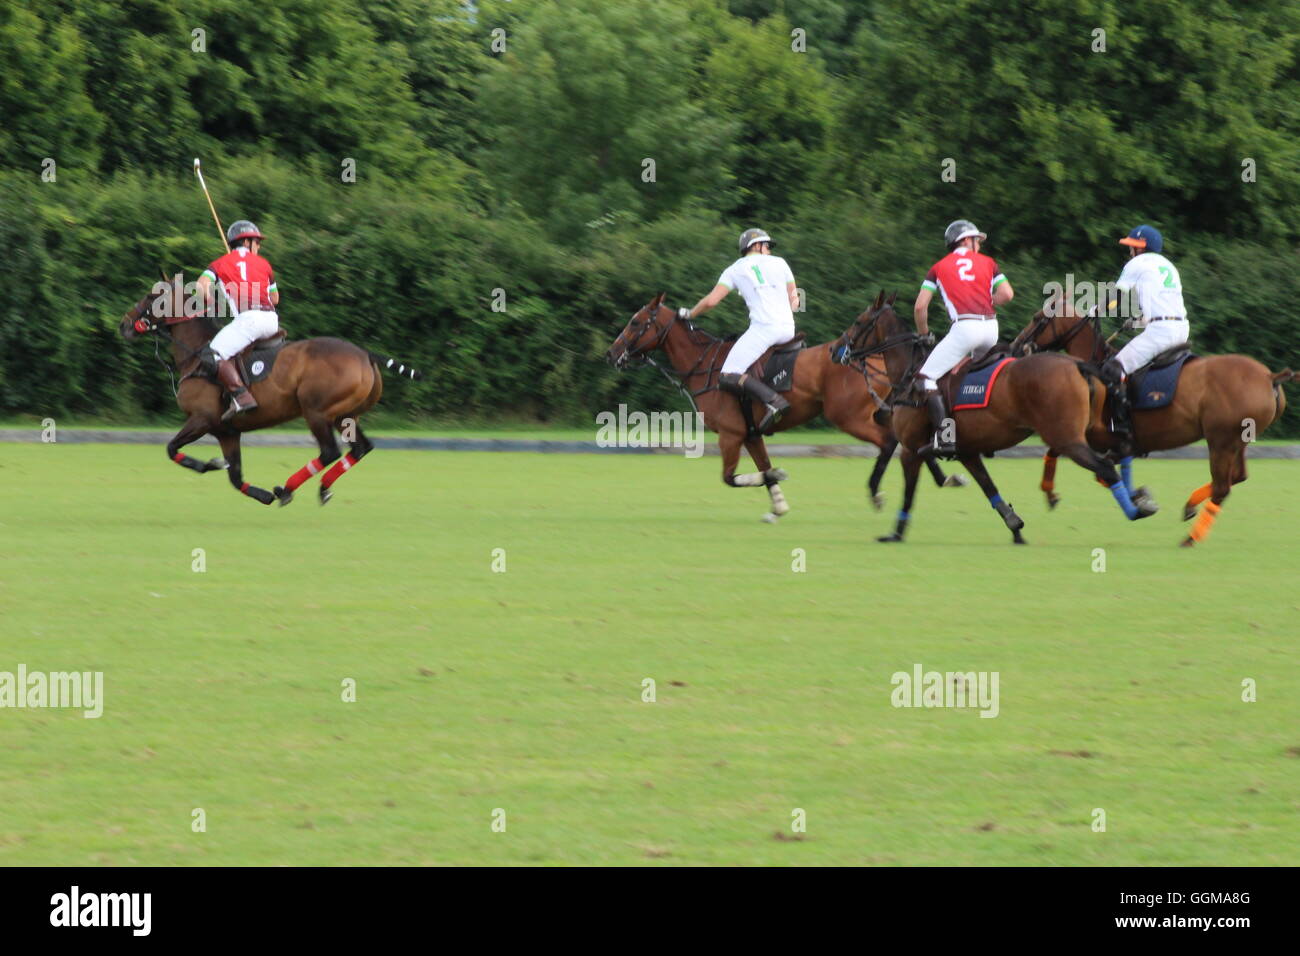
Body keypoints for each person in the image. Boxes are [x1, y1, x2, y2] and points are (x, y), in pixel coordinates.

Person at [681, 228, 799, 432]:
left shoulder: (735, 269)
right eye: (767, 246)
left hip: (764, 330)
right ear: (756, 246)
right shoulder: (781, 263)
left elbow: (711, 301)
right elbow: (794, 299)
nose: (769, 250)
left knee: (727, 374)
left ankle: (775, 401)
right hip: (789, 329)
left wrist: (690, 314)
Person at [913, 220, 1014, 455]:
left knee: (926, 378)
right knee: (970, 374)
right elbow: (1007, 294)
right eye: (976, 240)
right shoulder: (989, 263)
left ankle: (945, 438)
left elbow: (920, 308)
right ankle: (984, 436)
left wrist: (924, 334)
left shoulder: (938, 268)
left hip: (965, 329)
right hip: (991, 329)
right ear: (966, 240)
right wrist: (989, 303)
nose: (978, 244)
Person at [1100, 224, 1189, 448]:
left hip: (1161, 333)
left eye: (1133, 247)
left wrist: (1093, 312)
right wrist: (1139, 321)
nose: (1130, 251)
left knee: (1113, 369)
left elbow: (1115, 298)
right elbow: (1162, 303)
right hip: (1181, 329)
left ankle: (1120, 428)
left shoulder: (1136, 263)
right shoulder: (1168, 266)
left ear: (1141, 249)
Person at [197, 220, 280, 420]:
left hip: (249, 320)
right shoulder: (265, 264)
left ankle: (242, 397)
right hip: (271, 320)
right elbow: (275, 299)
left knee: (212, 354)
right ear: (246, 242)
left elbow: (201, 285)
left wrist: (208, 300)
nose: (258, 246)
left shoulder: (219, 263)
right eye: (257, 242)